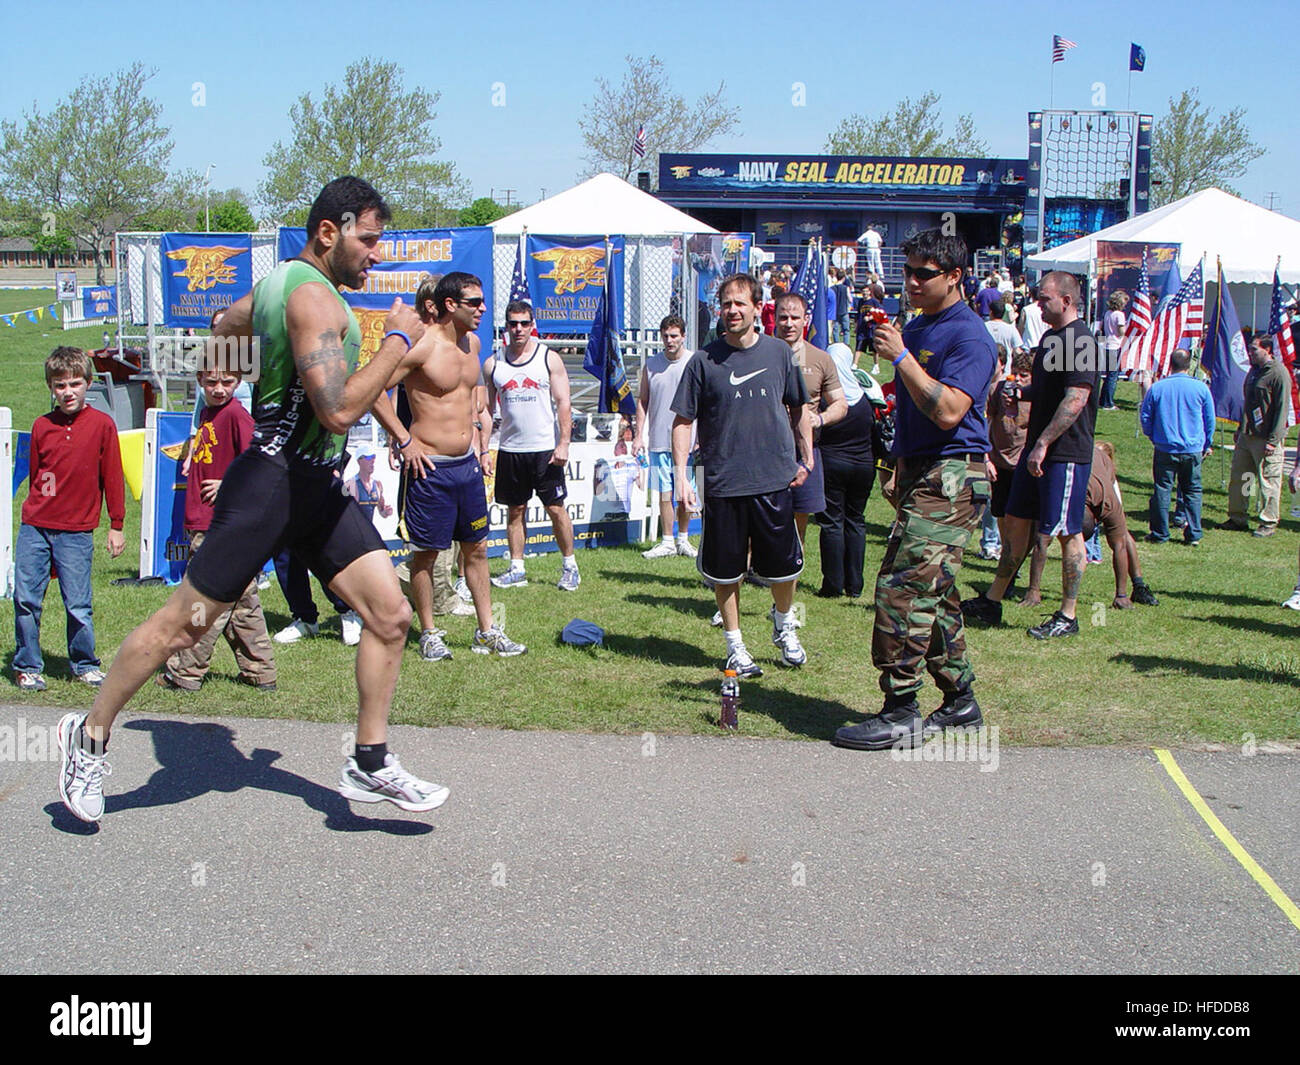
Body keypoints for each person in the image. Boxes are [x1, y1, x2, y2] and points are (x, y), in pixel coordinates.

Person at [57, 176, 450, 823]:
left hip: (317, 487)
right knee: (185, 622)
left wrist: (234, 371)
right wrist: (398, 345)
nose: (377, 255)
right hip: (272, 482)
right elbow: (336, 409)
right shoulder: (314, 300)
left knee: (390, 613)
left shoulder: (277, 285)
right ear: (330, 232)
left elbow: (223, 324)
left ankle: (370, 761)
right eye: (370, 241)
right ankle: (90, 734)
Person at [832, 228, 996, 751]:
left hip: (952, 476)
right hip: (923, 471)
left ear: (955, 276)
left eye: (925, 274)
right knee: (937, 593)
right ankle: (960, 701)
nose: (912, 282)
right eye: (908, 272)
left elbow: (949, 410)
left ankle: (900, 708)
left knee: (902, 589)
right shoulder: (922, 326)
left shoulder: (968, 335)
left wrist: (902, 357)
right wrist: (898, 463)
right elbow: (911, 410)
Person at [374, 274, 525, 660]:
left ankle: (487, 630)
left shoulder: (473, 344)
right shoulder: (421, 346)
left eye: (481, 301)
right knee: (426, 553)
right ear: (448, 305)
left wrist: (480, 442)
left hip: (466, 466)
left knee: (476, 549)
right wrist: (403, 440)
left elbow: (473, 399)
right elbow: (374, 390)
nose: (483, 309)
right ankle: (429, 632)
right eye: (474, 302)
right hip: (429, 469)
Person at [671, 273, 813, 676]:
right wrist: (681, 475)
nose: (732, 310)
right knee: (725, 570)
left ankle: (784, 626)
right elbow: (683, 421)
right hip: (723, 483)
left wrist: (808, 456)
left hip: (774, 480)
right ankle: (736, 646)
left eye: (740, 304)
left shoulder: (779, 354)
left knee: (784, 567)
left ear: (756, 307)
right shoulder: (703, 360)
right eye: (726, 304)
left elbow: (798, 407)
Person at [963, 271, 1100, 640]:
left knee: (1067, 533)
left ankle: (1067, 616)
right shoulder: (1053, 339)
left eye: (1045, 299)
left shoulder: (1081, 341)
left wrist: (1042, 444)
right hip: (1035, 452)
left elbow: (1076, 398)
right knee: (1016, 523)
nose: (1038, 305)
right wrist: (1021, 395)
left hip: (1064, 453)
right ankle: (993, 600)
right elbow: (1047, 390)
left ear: (1067, 301)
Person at [157, 349, 277, 692]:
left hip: (223, 525)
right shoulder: (208, 414)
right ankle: (260, 670)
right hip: (204, 521)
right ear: (200, 382)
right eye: (212, 382)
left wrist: (228, 482)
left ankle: (185, 671)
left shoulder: (237, 415)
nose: (220, 388)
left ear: (239, 382)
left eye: (227, 382)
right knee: (243, 603)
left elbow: (260, 463)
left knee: (204, 603)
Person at [13, 347, 126, 691]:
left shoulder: (102, 425)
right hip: (36, 526)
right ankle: (28, 665)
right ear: (51, 387)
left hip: (76, 532)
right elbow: (37, 476)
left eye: (75, 383)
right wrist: (38, 518)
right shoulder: (42, 426)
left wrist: (116, 525)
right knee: (26, 599)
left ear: (88, 384)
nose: (68, 392)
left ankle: (84, 663)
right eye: (60, 385)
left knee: (77, 603)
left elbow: (113, 476)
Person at [484, 299, 580, 590]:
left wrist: (563, 443)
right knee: (515, 510)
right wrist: (483, 448)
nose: (519, 329)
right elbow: (486, 411)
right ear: (506, 326)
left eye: (524, 323)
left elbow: (564, 403)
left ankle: (570, 566)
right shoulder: (494, 364)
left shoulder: (548, 358)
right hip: (511, 450)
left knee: (555, 509)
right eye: (513, 323)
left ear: (532, 325)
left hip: (544, 451)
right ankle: (516, 568)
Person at [773, 291, 847, 543]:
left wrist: (820, 419)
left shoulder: (821, 359)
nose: (789, 323)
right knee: (758, 515)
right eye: (783, 317)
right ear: (774, 318)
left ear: (806, 319)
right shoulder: (759, 353)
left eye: (795, 317)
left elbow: (840, 404)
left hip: (804, 451)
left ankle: (791, 571)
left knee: (798, 521)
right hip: (764, 448)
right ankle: (750, 568)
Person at [635, 314, 698, 559]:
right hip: (660, 439)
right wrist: (639, 435)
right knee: (665, 492)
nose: (670, 341)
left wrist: (701, 434)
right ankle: (667, 540)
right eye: (666, 336)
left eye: (674, 336)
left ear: (683, 336)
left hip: (690, 442)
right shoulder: (651, 365)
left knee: (687, 493)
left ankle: (684, 538)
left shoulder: (695, 362)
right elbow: (643, 400)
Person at [816, 343, 875, 598]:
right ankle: (855, 585)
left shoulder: (827, 400)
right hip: (863, 465)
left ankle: (832, 584)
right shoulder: (864, 396)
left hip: (833, 464)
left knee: (832, 523)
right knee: (856, 521)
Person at [1139, 347, 1215, 544]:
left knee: (1162, 490)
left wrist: (1153, 436)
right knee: (1192, 491)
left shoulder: (1157, 388)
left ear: (1170, 364)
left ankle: (1160, 533)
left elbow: (1145, 416)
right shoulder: (1201, 388)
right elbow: (1209, 420)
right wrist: (1207, 443)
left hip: (1165, 447)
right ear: (1189, 365)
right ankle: (1194, 533)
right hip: (1192, 448)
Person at [1226, 333, 1289, 537]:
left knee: (1268, 481)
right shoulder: (1254, 371)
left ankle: (1268, 521)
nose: (1250, 353)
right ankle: (1238, 517)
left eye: (1254, 349)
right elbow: (1248, 403)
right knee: (1243, 478)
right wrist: (1239, 429)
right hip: (1247, 435)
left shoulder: (1278, 374)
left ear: (1267, 350)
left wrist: (1273, 441)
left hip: (1266, 438)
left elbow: (1281, 410)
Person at [1098, 290, 1128, 410]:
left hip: (1106, 345)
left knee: (1108, 376)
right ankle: (1108, 403)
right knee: (1113, 376)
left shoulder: (1107, 313)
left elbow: (1101, 329)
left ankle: (1102, 400)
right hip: (1115, 346)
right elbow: (1121, 332)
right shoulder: (1119, 315)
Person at [986, 298, 1025, 374]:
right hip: (1005, 371)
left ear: (991, 312)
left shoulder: (983, 327)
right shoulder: (1011, 329)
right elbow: (1017, 351)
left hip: (986, 370)